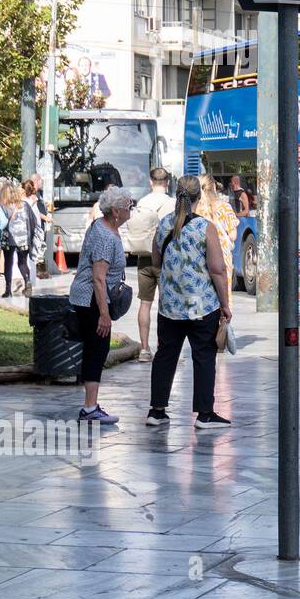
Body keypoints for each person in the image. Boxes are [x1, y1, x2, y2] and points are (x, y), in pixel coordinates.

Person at [148, 175, 234, 429]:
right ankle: (205, 414)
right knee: (204, 356)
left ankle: (157, 410)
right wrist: (225, 304)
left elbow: (155, 262)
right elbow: (217, 269)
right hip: (201, 306)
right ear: (199, 197)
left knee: (165, 355)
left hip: (169, 307)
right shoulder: (205, 227)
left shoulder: (163, 224)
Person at [68, 186, 132, 425]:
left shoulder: (102, 226)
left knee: (96, 349)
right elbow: (98, 277)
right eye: (128, 206)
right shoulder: (106, 236)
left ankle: (90, 405)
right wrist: (104, 314)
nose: (130, 209)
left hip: (87, 298)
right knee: (97, 349)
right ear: (116, 211)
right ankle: (89, 408)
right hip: (92, 300)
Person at [125, 168, 176, 362]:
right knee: (168, 305)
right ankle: (167, 347)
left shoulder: (143, 202)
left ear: (150, 182)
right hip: (166, 259)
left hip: (144, 257)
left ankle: (144, 349)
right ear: (167, 183)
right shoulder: (172, 203)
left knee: (145, 303)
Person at [196, 175, 239, 351]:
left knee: (204, 294)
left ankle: (204, 334)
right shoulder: (225, 207)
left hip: (201, 257)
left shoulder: (196, 208)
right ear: (215, 188)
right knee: (224, 295)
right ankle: (220, 335)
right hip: (223, 258)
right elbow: (233, 235)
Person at [0, 181, 32, 297]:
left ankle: (8, 290)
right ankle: (27, 282)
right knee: (22, 262)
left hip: (9, 239)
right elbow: (31, 221)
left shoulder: (3, 207)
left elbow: (2, 223)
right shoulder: (24, 205)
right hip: (24, 239)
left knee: (8, 263)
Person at [20, 179, 45, 284]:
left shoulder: (24, 202)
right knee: (32, 257)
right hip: (34, 231)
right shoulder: (32, 200)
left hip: (27, 232)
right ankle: (31, 280)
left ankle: (28, 280)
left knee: (26, 258)